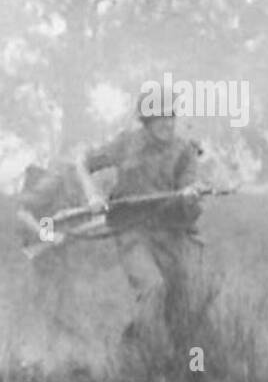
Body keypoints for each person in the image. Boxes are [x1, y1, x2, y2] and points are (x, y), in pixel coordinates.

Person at [76, 91, 204, 345]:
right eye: (160, 118)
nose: (167, 124)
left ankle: (157, 354)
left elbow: (190, 204)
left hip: (171, 234)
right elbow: (82, 162)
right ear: (146, 121)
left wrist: (190, 197)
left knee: (180, 304)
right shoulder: (126, 144)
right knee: (152, 289)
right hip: (132, 232)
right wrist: (93, 195)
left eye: (171, 117)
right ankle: (140, 355)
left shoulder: (185, 152)